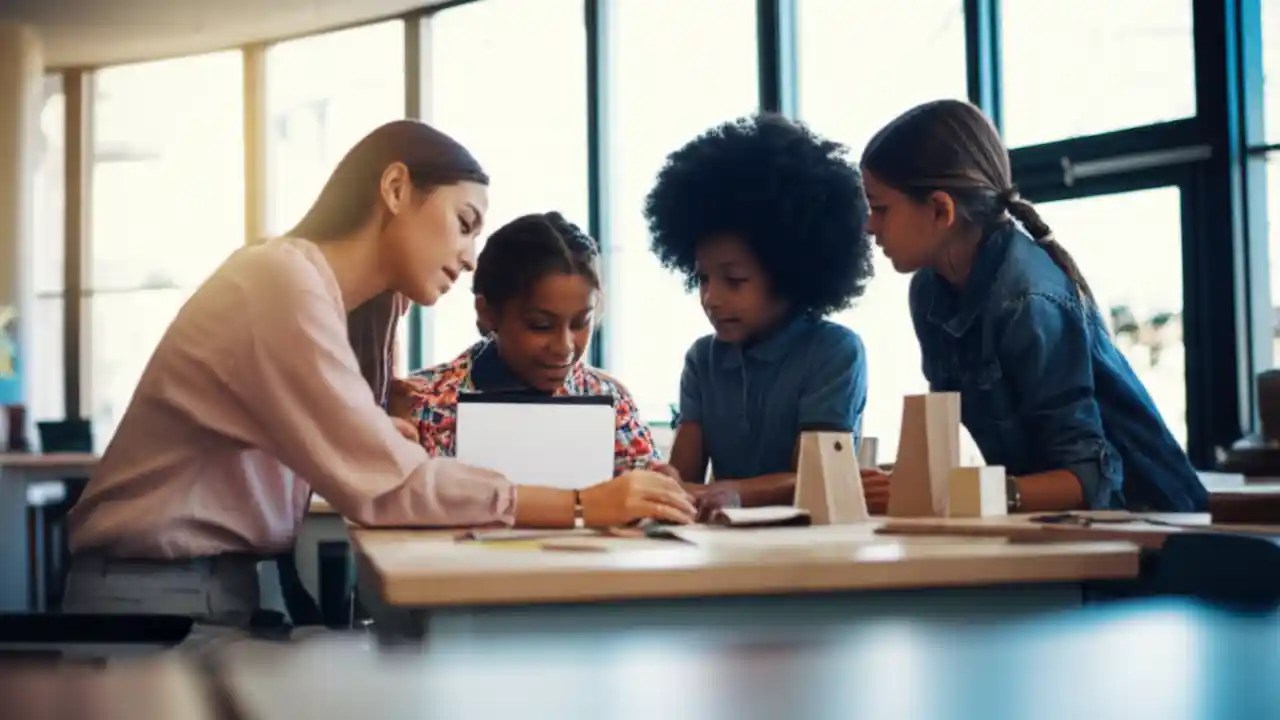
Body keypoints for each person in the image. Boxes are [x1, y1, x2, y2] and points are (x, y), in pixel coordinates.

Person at [63, 121, 694, 627]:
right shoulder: (278, 280)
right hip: (157, 598)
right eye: (464, 224)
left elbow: (374, 463)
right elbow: (391, 487)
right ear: (395, 190)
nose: (472, 258)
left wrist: (387, 428)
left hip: (218, 590)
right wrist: (584, 505)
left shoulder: (347, 301)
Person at [860, 99, 1206, 512]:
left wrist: (958, 495)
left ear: (940, 209)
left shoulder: (1028, 299)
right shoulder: (929, 290)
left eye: (880, 208)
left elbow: (1089, 479)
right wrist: (903, 482)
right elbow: (943, 445)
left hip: (1152, 531)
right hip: (1056, 530)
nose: (868, 225)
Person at [645, 113, 883, 509]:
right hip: (722, 542)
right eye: (703, 279)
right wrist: (666, 480)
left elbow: (815, 476)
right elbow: (685, 478)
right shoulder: (702, 360)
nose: (711, 298)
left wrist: (732, 491)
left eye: (734, 280)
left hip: (811, 544)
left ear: (791, 275)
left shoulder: (834, 352)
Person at [389, 211, 666, 476]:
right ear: (487, 313)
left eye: (581, 323)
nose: (564, 346)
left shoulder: (611, 401)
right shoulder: (421, 404)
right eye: (541, 325)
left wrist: (663, 486)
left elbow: (651, 490)